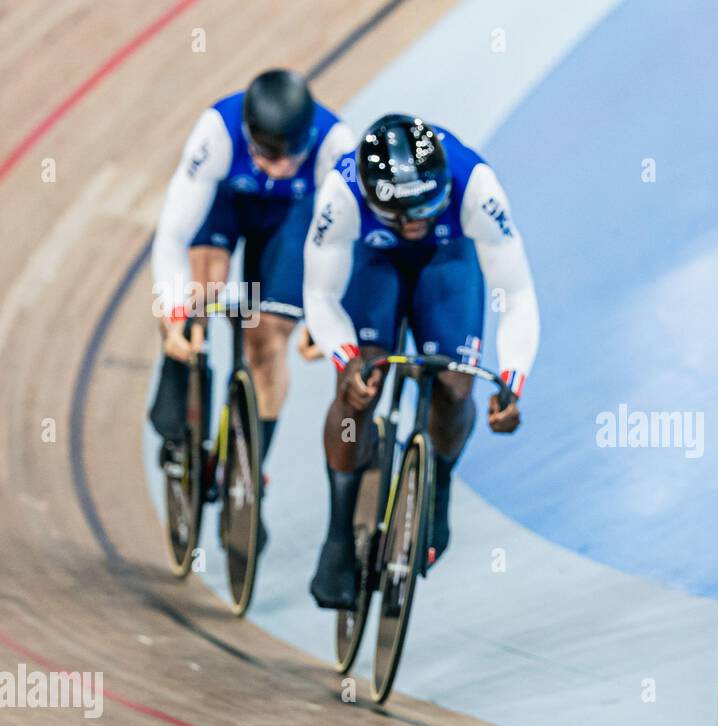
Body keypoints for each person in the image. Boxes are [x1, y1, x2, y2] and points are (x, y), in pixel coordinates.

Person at [302, 113, 539, 609]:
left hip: (447, 260)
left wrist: (511, 382)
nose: (413, 224)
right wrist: (345, 361)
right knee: (359, 385)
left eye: (425, 209)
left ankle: (438, 483)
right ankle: (339, 532)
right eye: (401, 215)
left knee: (455, 385)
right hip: (374, 260)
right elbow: (319, 296)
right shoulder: (340, 193)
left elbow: (515, 294)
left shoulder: (475, 184)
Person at [149, 68, 354, 487]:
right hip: (227, 202)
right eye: (267, 157)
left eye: (289, 159)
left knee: (267, 336)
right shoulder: (218, 131)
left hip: (290, 217)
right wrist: (173, 313)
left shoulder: (336, 146)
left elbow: (341, 242)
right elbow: (172, 234)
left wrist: (322, 314)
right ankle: (179, 370)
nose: (278, 169)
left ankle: (245, 468)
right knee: (200, 294)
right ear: (249, 136)